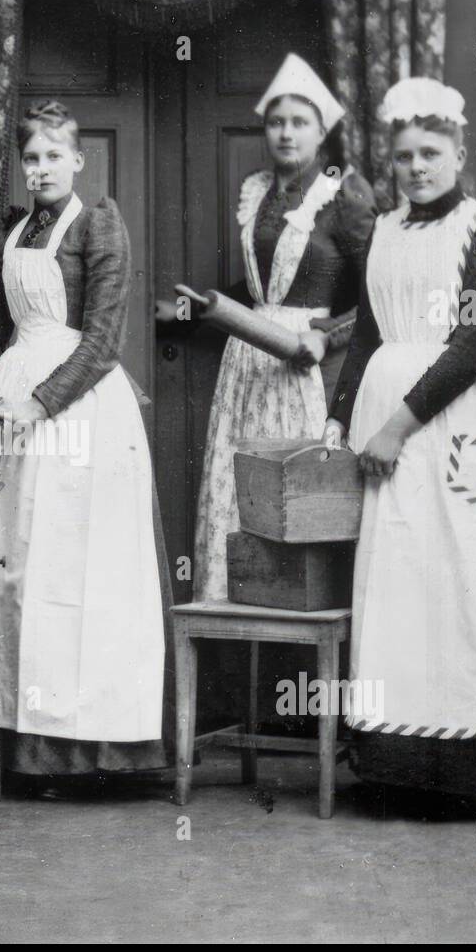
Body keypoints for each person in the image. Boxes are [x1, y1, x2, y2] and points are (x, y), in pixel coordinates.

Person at [324, 77, 476, 801]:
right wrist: (337, 418)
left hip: (458, 424)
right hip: (386, 430)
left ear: (460, 152)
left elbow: (472, 347)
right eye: (403, 157)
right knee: (402, 587)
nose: (417, 167)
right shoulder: (381, 232)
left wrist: (395, 424)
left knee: (469, 584)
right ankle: (403, 763)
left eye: (431, 152)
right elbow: (366, 334)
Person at [0, 100, 167, 785]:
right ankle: (10, 735)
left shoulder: (99, 224)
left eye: (52, 156)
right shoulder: (8, 233)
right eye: (29, 158)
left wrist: (41, 403)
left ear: (77, 159)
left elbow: (102, 341)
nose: (39, 169)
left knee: (78, 567)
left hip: (81, 412)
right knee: (16, 563)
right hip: (11, 404)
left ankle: (87, 748)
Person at [160, 53, 376, 603]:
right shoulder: (258, 191)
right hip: (246, 369)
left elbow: (379, 297)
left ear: (321, 130)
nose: (286, 133)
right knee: (239, 495)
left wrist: (327, 336)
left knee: (291, 500)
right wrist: (187, 315)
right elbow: (262, 294)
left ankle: (296, 639)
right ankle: (232, 634)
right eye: (277, 121)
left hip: (303, 370)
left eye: (299, 122)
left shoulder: (343, 196)